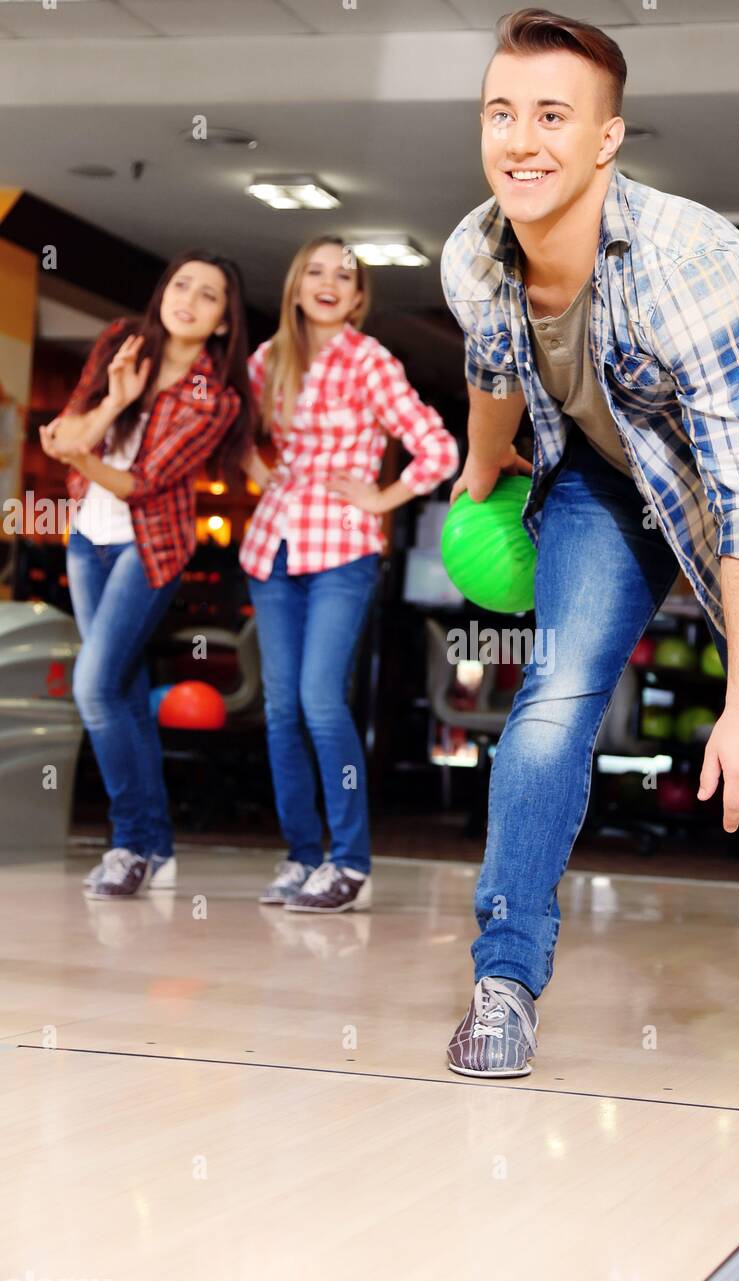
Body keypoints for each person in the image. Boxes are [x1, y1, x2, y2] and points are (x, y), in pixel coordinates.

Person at [439, 8, 739, 1076]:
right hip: (604, 478)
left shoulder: (691, 262)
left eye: (551, 115)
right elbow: (494, 374)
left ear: (605, 139)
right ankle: (501, 981)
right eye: (501, 113)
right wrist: (480, 474)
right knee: (556, 693)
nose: (520, 140)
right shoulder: (472, 255)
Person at [241, 237, 459, 912]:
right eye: (316, 271)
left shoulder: (369, 361)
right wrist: (255, 468)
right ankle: (302, 854)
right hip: (271, 548)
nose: (330, 283)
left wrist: (381, 498)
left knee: (318, 700)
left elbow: (437, 448)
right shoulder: (265, 360)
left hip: (341, 549)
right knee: (279, 711)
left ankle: (349, 862)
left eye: (345, 275)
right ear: (295, 285)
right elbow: (240, 435)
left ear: (360, 297)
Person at [41, 251, 254, 899]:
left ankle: (129, 842)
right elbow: (64, 434)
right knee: (124, 693)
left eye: (208, 295)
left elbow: (140, 485)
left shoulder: (212, 398)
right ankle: (155, 850)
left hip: (149, 546)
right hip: (87, 539)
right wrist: (115, 402)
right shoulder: (120, 341)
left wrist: (78, 444)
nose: (187, 299)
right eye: (180, 285)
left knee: (96, 687)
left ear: (222, 322)